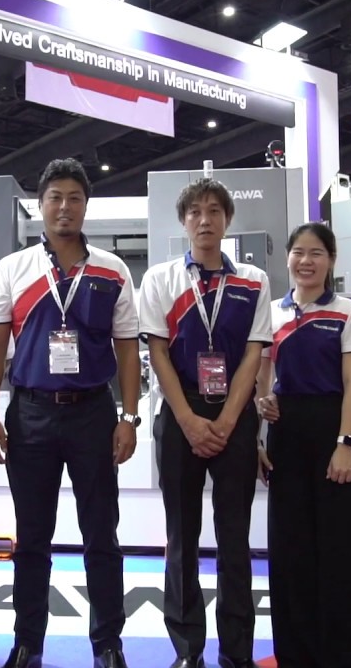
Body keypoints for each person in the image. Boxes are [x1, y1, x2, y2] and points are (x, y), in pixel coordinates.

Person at [0, 158, 141, 668]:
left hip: (93, 413)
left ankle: (108, 643)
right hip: (30, 414)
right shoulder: (13, 268)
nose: (64, 207)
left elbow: (128, 348)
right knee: (32, 537)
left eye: (74, 198)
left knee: (101, 534)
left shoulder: (112, 269)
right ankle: (28, 641)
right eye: (55, 198)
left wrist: (129, 417)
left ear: (86, 206)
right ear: (40, 205)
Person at [137, 178, 271, 668]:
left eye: (214, 211)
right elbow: (157, 353)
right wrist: (189, 420)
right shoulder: (161, 278)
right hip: (180, 414)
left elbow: (254, 354)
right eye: (195, 211)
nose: (205, 219)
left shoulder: (253, 280)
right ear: (183, 221)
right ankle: (187, 649)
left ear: (228, 220)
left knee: (235, 537)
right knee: (182, 537)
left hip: (234, 414)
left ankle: (237, 651)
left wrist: (230, 419)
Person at [255, 222, 351, 668]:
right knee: (290, 549)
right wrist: (260, 425)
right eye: (298, 252)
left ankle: (341, 654)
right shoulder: (271, 312)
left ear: (331, 261)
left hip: (331, 429)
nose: (306, 261)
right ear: (287, 258)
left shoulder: (347, 311)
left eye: (316, 253)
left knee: (338, 549)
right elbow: (262, 377)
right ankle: (295, 653)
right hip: (285, 435)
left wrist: (345, 443)